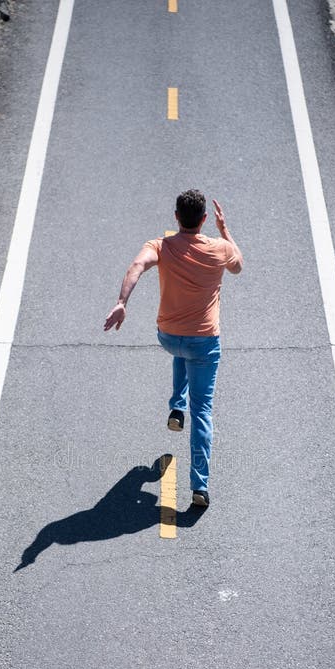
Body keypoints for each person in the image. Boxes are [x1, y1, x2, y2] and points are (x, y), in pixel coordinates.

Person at [103, 189, 243, 507]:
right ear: (204, 219)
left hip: (168, 336)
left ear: (176, 217)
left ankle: (177, 408)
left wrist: (122, 302)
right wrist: (224, 230)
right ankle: (199, 486)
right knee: (202, 411)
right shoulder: (220, 248)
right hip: (204, 342)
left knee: (181, 350)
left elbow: (137, 265)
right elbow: (238, 266)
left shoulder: (161, 246)